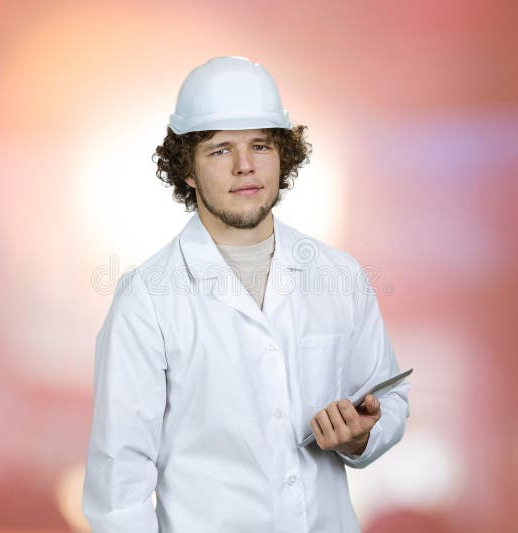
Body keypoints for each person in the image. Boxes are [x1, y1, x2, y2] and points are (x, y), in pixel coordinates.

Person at [82, 56, 410, 533]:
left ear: (283, 155)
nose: (244, 166)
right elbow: (119, 489)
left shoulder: (339, 275)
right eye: (219, 150)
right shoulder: (148, 298)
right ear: (187, 169)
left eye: (260, 144)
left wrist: (361, 437)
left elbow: (390, 396)